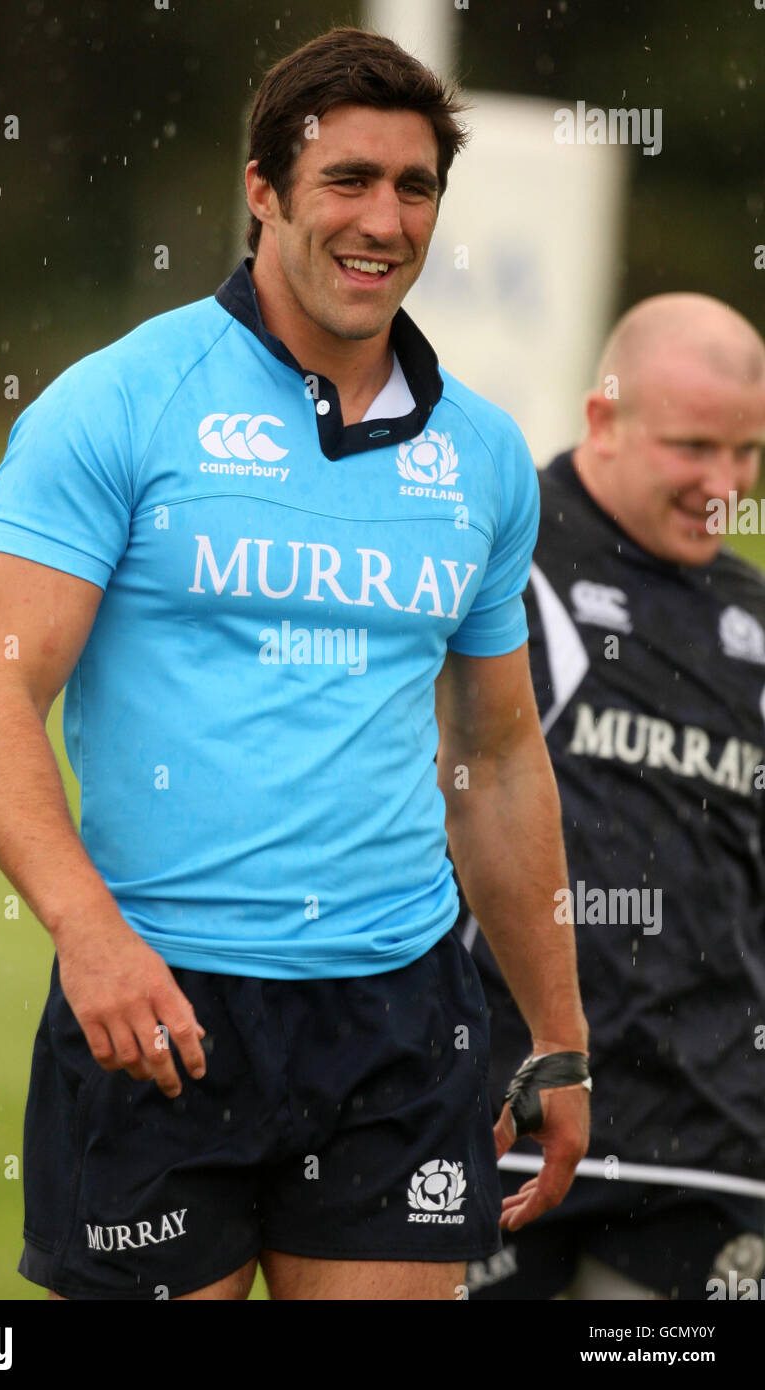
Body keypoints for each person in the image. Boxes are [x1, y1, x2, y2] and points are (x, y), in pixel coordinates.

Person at [0, 26, 589, 1302]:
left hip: (400, 1013)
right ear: (261, 188)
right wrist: (89, 932)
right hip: (158, 1002)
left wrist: (558, 1036)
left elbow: (500, 759)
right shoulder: (120, 401)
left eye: (413, 187)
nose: (382, 219)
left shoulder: (484, 456)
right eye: (346, 179)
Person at [466, 293, 765, 1301]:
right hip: (501, 1115)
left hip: (705, 1148)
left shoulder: (751, 626)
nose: (723, 486)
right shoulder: (501, 563)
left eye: (747, 453)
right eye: (692, 448)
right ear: (603, 418)